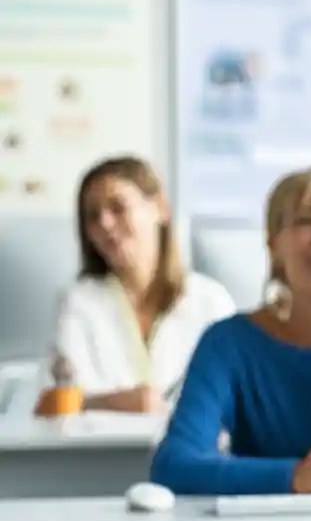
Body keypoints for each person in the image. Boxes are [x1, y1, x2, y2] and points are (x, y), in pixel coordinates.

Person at [150, 167, 311, 495]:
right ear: (273, 242)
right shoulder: (229, 344)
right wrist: (296, 477)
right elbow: (173, 465)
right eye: (306, 221)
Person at [34, 156, 234, 416]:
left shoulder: (210, 300)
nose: (105, 223)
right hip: (103, 443)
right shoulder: (78, 302)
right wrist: (116, 402)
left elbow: (237, 400)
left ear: (160, 208)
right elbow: (55, 403)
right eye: (92, 216)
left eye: (118, 207)